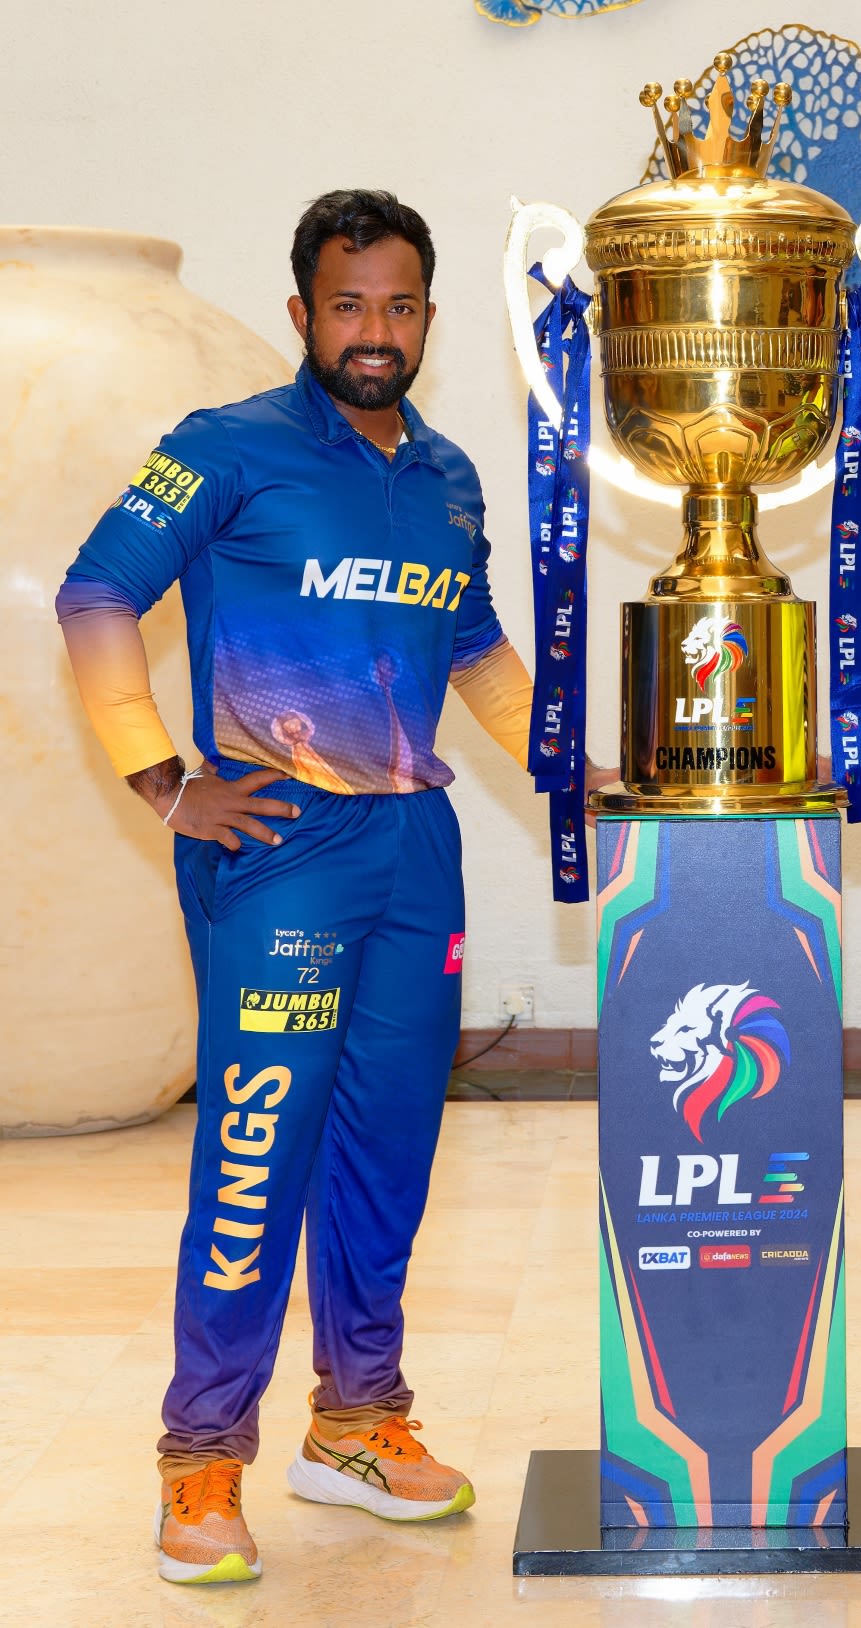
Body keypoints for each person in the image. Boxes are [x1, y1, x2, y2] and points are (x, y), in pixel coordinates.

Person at [56, 190, 549, 1585]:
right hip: (276, 854)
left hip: (413, 857)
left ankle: (359, 1420)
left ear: (429, 321)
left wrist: (585, 776)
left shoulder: (449, 475)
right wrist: (166, 779)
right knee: (256, 1159)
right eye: (348, 305)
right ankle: (201, 1460)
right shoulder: (228, 450)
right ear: (302, 315)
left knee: (388, 1155)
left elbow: (477, 656)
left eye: (399, 307)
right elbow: (95, 598)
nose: (374, 331)